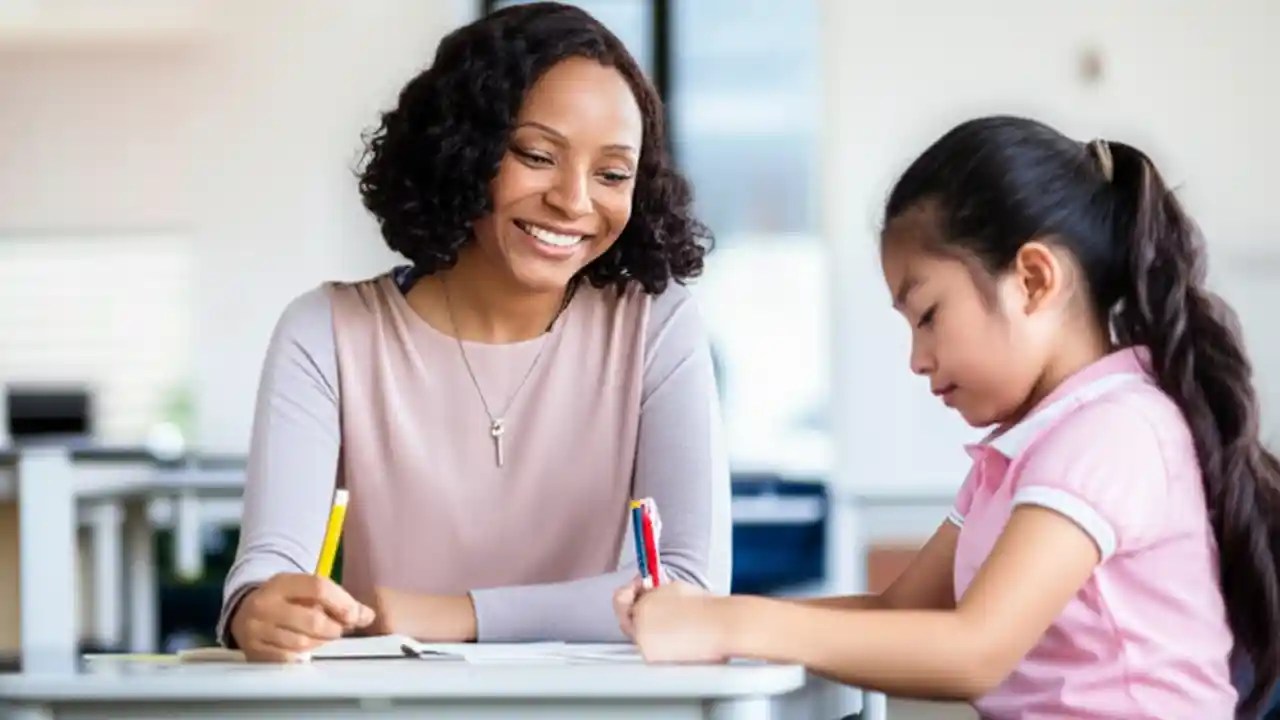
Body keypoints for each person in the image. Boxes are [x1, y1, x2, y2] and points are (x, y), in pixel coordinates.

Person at [616, 115, 1280, 718]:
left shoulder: (1114, 429)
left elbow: (974, 651)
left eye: (929, 315)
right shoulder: (1020, 451)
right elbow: (899, 611)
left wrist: (730, 627)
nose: (917, 358)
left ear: (1033, 280)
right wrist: (705, 615)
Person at [218, 1, 730, 663]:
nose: (575, 201)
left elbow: (687, 587)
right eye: (537, 155)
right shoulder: (326, 332)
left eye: (611, 174)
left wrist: (445, 614)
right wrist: (259, 609)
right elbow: (266, 571)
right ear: (462, 151)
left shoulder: (655, 324)